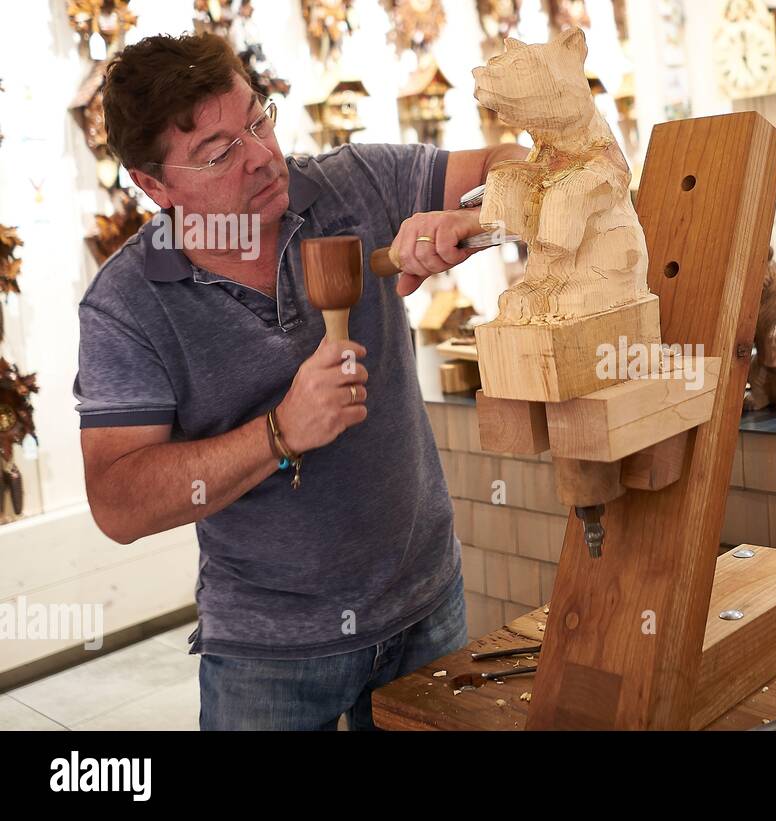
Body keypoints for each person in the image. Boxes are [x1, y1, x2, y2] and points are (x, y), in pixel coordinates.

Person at [74, 32, 527, 730]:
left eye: (259, 118)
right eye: (219, 152)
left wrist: (467, 216)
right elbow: (118, 500)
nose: (260, 156)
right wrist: (278, 432)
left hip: (425, 609)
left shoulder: (354, 185)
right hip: (269, 654)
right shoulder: (127, 303)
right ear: (152, 184)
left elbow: (519, 165)